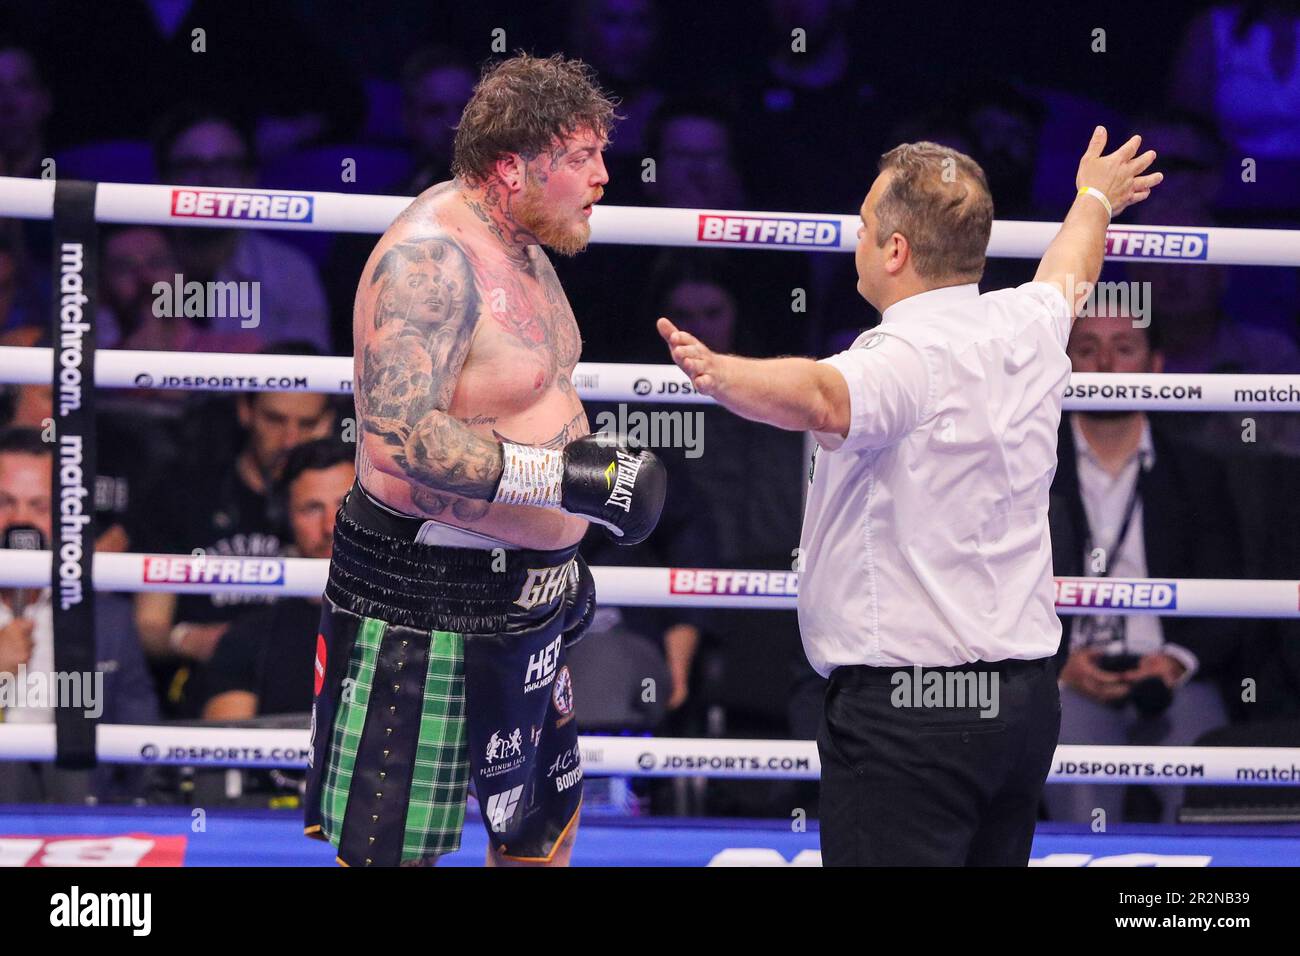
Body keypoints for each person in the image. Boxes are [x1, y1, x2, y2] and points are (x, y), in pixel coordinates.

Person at [658, 129, 1163, 865]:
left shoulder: (900, 358)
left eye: (865, 226)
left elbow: (823, 398)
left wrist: (719, 373)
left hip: (912, 718)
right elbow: (1071, 265)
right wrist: (1094, 196)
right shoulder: (1029, 322)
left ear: (895, 251)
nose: (856, 238)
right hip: (1018, 705)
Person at [306, 54, 666, 869]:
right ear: (511, 167)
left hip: (531, 594)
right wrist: (564, 480)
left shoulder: (525, 243)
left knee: (542, 823)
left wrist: (572, 502)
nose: (605, 177)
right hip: (423, 596)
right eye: (581, 158)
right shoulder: (427, 264)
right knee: (389, 849)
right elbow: (399, 437)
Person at [1046, 309, 1241, 824]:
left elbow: (1235, 598)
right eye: (1086, 350)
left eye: (1124, 348)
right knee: (1078, 793)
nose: (1105, 365)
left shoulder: (1198, 473)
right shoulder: (1027, 468)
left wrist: (1175, 659)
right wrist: (1059, 663)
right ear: (1063, 366)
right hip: (1066, 677)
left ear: (1156, 365)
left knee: (1209, 795)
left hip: (1173, 680)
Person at [133, 387, 336, 717]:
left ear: (327, 422)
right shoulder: (186, 496)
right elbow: (148, 624)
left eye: (307, 423)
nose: (290, 439)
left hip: (305, 675)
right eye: (275, 420)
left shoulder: (340, 510)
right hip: (207, 681)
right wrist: (191, 639)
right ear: (246, 410)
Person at [0, 427, 159, 803]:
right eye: (5, 502)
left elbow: (144, 751)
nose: (20, 520)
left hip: (80, 816)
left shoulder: (108, 619)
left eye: (39, 506)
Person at [204, 438, 354, 720]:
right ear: (284, 520)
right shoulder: (249, 637)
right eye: (311, 509)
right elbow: (229, 752)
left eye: (345, 504)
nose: (329, 527)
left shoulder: (409, 628)